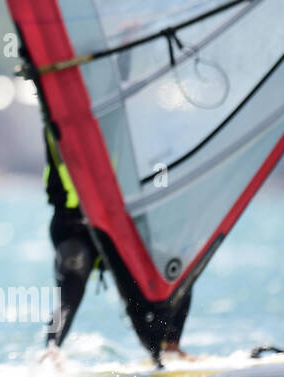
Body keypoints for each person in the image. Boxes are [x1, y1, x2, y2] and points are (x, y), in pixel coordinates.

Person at [41, 123, 191, 363]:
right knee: (70, 291)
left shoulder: (125, 124)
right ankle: (51, 349)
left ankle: (170, 347)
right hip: (77, 225)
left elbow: (159, 167)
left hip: (113, 227)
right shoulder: (65, 121)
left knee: (178, 268)